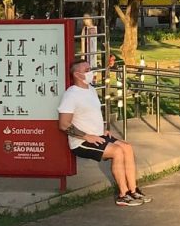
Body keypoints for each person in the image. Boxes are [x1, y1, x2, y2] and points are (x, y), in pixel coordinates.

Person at [57, 57, 146, 207]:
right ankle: (123, 195)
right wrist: (86, 136)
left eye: (90, 69)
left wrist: (102, 130)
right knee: (117, 152)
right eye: (87, 70)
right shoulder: (71, 95)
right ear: (77, 75)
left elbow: (90, 114)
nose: (90, 73)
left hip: (98, 135)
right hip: (81, 141)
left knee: (127, 148)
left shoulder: (91, 90)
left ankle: (133, 190)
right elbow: (64, 124)